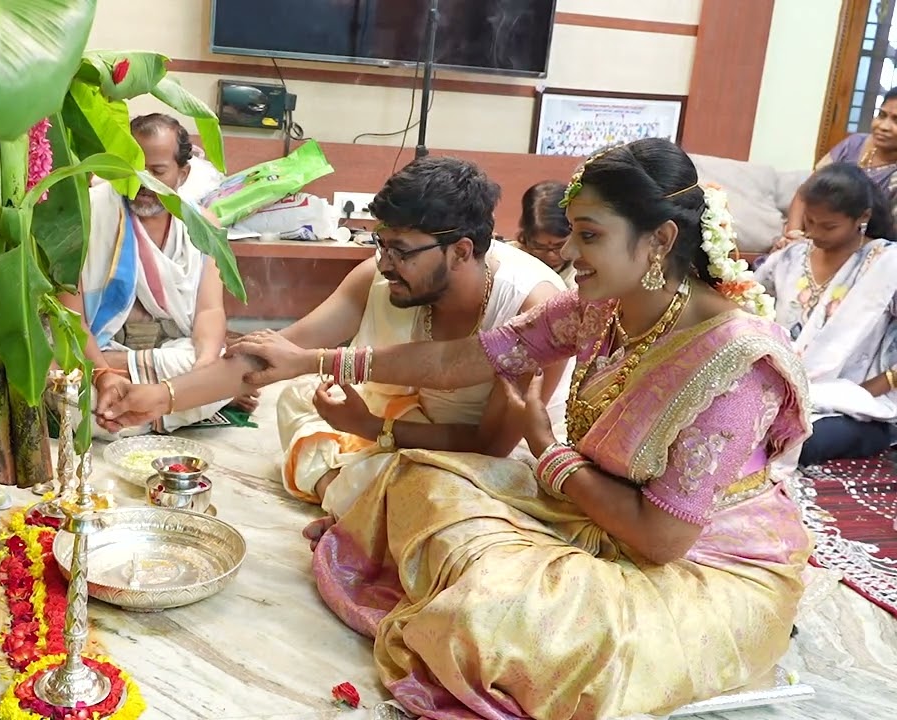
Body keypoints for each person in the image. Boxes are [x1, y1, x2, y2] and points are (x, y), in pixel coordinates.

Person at [102, 139, 813, 719]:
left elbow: (660, 542)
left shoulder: (733, 365)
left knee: (494, 619)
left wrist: (549, 450)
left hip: (695, 567)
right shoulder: (601, 306)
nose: (569, 256)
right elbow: (466, 357)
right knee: (415, 479)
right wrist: (307, 361)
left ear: (660, 240)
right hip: (589, 506)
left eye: (590, 237)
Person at [101, 155, 571, 518]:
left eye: (401, 251)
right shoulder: (380, 278)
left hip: (484, 463)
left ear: (461, 250)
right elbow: (272, 357)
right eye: (380, 245)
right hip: (406, 420)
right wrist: (160, 397)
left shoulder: (533, 309)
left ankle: (356, 501)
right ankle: (356, 499)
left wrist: (369, 429)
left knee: (433, 496)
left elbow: (489, 448)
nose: (384, 264)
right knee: (301, 397)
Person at [60, 113, 235, 434]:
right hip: (95, 356)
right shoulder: (85, 214)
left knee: (218, 361)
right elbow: (71, 320)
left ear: (182, 174)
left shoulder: (203, 225)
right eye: (133, 168)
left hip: (170, 354)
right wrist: (103, 372)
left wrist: (206, 368)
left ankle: (138, 408)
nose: (142, 182)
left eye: (156, 172)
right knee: (59, 379)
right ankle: (164, 410)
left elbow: (210, 310)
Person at [756, 163, 897, 465]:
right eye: (809, 221)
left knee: (793, 441)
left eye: (829, 226)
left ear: (863, 218)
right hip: (780, 388)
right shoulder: (792, 256)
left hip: (857, 403)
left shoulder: (888, 265)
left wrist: (862, 392)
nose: (814, 234)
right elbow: (748, 299)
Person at [778, 87, 897, 249]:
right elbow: (805, 193)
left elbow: (888, 238)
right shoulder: (853, 145)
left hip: (860, 256)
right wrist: (793, 238)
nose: (883, 126)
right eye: (882, 115)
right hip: (806, 243)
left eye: (896, 120)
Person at [509, 180, 577, 288]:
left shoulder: (589, 265)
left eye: (559, 246)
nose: (551, 255)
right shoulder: (507, 259)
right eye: (539, 247)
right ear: (525, 238)